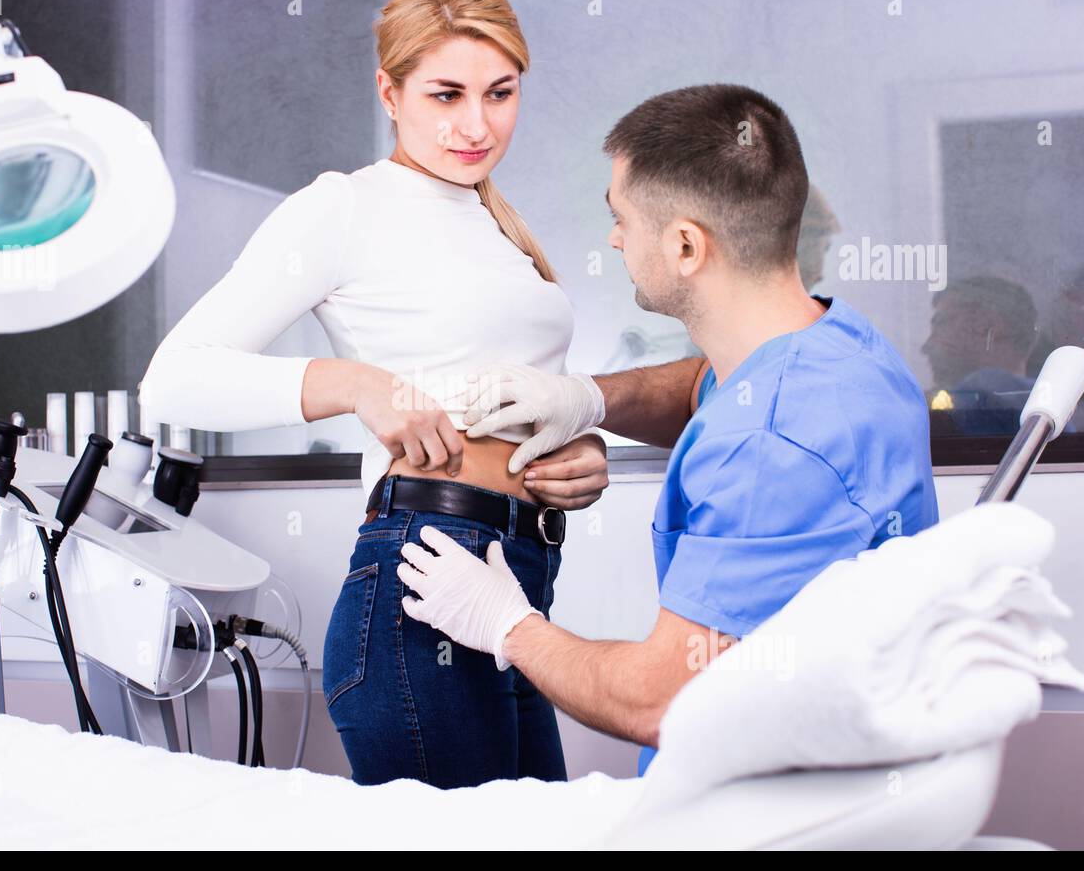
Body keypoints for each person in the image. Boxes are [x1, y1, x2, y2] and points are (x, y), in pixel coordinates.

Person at [139, 0, 608, 788]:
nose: (476, 124)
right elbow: (171, 381)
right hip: (426, 574)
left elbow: (513, 395)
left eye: (500, 93)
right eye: (446, 95)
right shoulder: (346, 207)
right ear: (389, 93)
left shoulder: (499, 225)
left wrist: (576, 448)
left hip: (521, 578)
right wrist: (355, 383)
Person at [397, 83, 940, 775]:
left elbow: (661, 700)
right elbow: (703, 389)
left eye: (620, 216)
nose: (614, 236)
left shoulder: (773, 446)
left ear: (686, 245)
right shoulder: (843, 349)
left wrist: (509, 625)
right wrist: (586, 397)